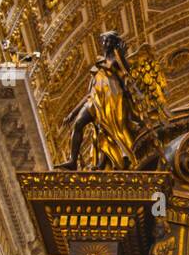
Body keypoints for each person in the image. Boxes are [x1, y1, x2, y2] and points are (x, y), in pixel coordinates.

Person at [58, 31, 138, 170]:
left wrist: (122, 55)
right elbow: (89, 93)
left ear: (113, 43)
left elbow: (127, 73)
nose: (105, 44)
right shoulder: (98, 63)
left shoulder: (117, 58)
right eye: (104, 41)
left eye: (108, 41)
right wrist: (72, 113)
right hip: (95, 99)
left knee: (108, 129)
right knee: (78, 124)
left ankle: (105, 162)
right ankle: (72, 160)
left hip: (112, 96)